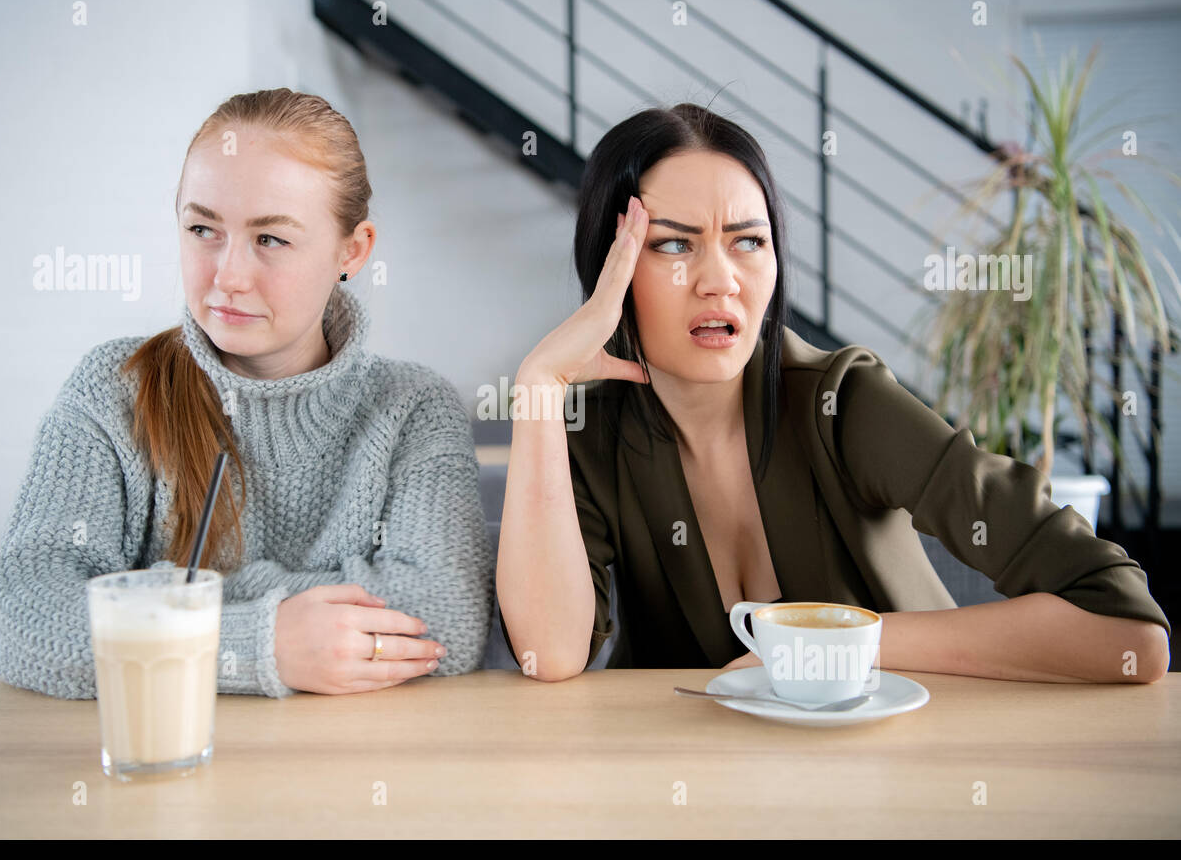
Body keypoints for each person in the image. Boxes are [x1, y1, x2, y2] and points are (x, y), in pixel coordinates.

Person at [496, 103, 1170, 684]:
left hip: (896, 778)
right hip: (692, 790)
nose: (721, 280)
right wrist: (537, 386)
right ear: (608, 268)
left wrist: (834, 647)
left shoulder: (842, 402)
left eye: (748, 242)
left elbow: (1127, 632)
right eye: (675, 246)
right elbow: (544, 656)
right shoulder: (584, 434)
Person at [0, 88, 492, 699]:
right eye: (203, 228)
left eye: (270, 239)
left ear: (352, 251)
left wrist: (159, 596)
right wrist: (261, 642)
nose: (227, 275)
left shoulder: (413, 408)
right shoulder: (113, 390)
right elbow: (26, 616)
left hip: (350, 773)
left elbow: (446, 622)